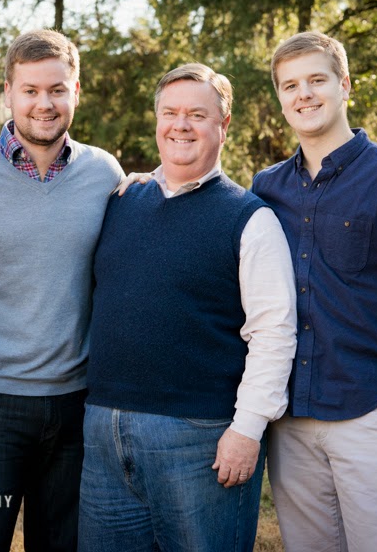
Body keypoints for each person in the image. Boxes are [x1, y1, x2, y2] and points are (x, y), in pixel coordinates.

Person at [0, 29, 131, 552]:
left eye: (57, 90)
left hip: (79, 405)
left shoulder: (104, 173)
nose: (45, 103)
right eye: (31, 90)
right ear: (8, 92)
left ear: (76, 91)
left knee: (63, 544)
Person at [252, 31, 377, 552]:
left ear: (344, 85)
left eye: (317, 80)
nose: (304, 95)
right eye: (290, 85)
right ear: (280, 97)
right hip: (291, 422)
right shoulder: (265, 188)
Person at [78, 63, 298, 552]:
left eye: (197, 114)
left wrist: (247, 430)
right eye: (170, 112)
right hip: (103, 430)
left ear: (223, 126)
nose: (180, 125)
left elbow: (274, 331)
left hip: (198, 439)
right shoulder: (121, 200)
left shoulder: (249, 217)